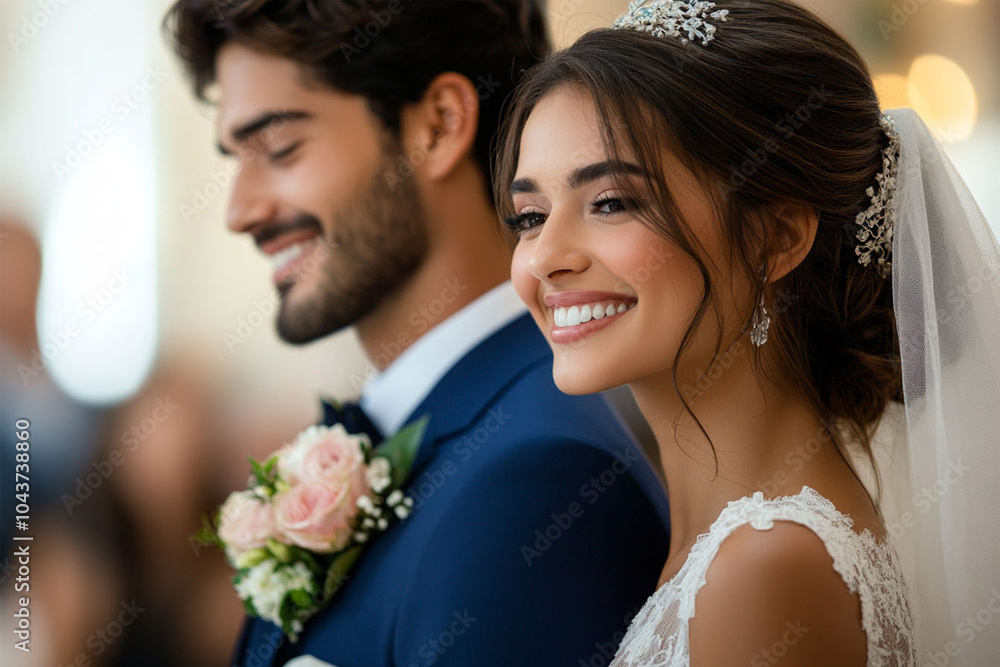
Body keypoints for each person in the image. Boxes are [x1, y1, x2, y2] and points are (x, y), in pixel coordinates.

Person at [163, 1, 671, 666]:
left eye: (281, 148)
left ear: (438, 125)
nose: (239, 211)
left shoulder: (537, 479)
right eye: (237, 158)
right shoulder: (425, 433)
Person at [496, 0, 1000, 665]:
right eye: (530, 215)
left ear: (777, 236)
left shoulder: (766, 569)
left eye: (611, 202)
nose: (544, 258)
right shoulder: (736, 548)